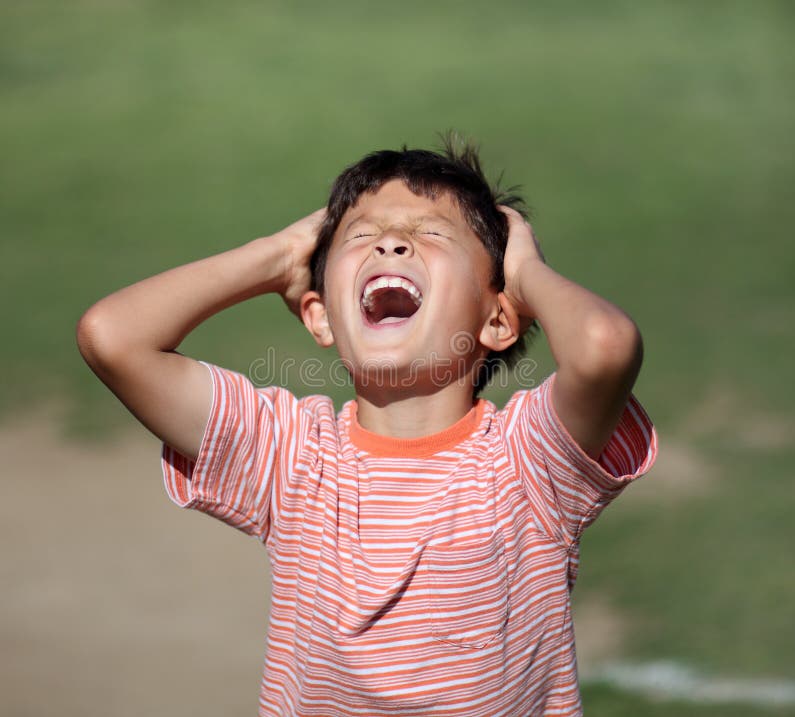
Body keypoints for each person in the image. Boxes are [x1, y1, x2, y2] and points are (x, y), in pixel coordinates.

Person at [77, 138, 658, 716]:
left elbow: (604, 348)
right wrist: (277, 256)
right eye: (361, 235)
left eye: (431, 232)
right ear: (321, 315)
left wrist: (525, 272)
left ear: (499, 318)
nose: (391, 241)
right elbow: (113, 337)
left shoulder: (527, 463)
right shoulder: (291, 455)